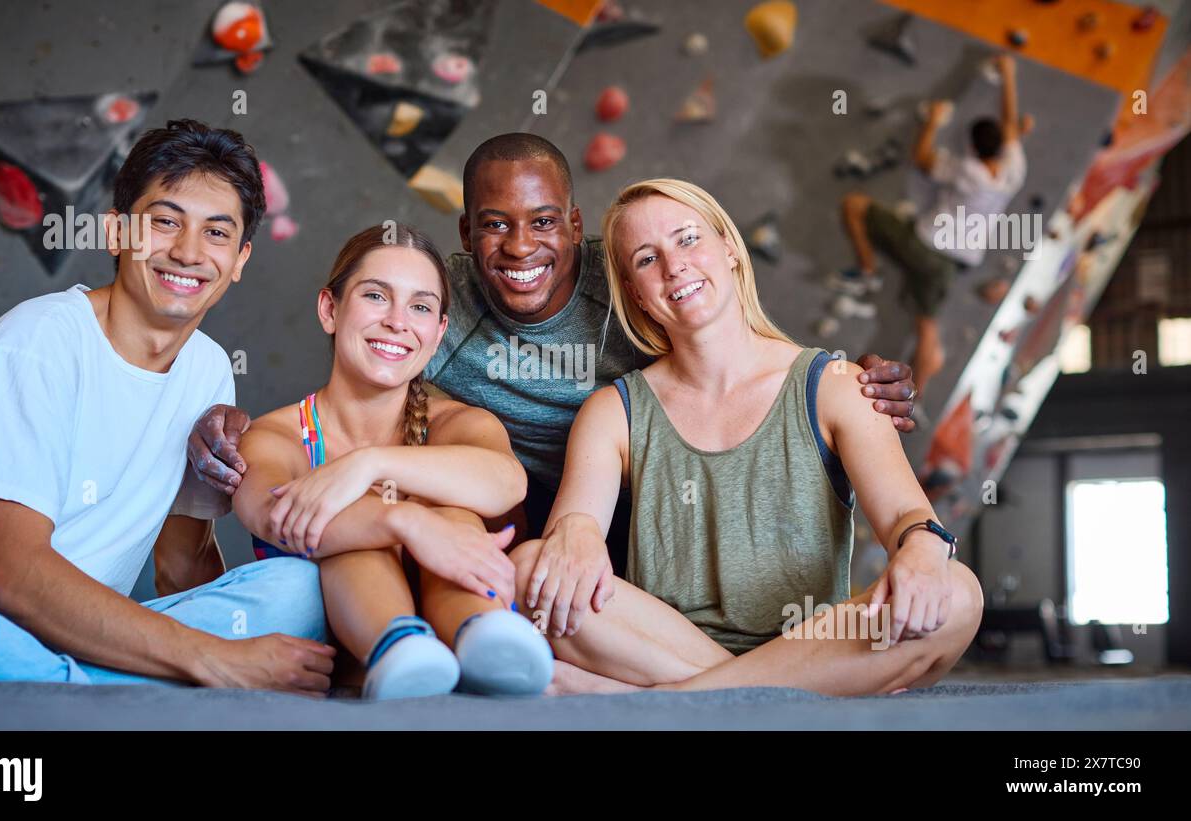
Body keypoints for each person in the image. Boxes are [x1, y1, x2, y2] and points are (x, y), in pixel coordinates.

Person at [189, 133, 919, 632]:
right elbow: (364, 383)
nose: (520, 246)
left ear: (574, 224)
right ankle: (416, 644)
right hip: (503, 511)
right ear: (468, 236)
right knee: (445, 517)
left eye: (543, 221)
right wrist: (236, 425)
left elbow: (733, 345)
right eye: (495, 226)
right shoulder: (437, 308)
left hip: (638, 513)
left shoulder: (636, 274)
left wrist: (847, 379)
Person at [0, 120, 335, 694]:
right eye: (165, 222)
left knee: (297, 589)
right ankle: (95, 689)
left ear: (241, 258)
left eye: (217, 234)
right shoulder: (39, 340)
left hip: (77, 635)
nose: (188, 252)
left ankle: (71, 686)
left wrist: (229, 475)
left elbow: (180, 568)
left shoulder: (208, 370)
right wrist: (218, 661)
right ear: (117, 232)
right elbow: (13, 578)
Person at [509, 178, 983, 696]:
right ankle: (779, 700)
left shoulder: (835, 386)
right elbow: (569, 539)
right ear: (636, 297)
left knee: (958, 593)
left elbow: (905, 517)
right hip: (657, 645)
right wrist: (574, 530)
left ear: (729, 248)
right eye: (647, 259)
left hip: (821, 644)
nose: (675, 266)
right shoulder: (613, 412)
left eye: (688, 239)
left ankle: (662, 704)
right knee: (528, 570)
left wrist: (920, 547)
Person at [231, 224, 552, 700]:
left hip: (462, 652)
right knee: (354, 526)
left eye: (420, 307)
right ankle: (402, 647)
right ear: (329, 309)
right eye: (377, 297)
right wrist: (403, 522)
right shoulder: (278, 435)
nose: (398, 322)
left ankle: (486, 635)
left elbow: (506, 482)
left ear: (439, 331)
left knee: (453, 511)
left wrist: (369, 464)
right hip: (340, 672)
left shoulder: (457, 423)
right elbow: (271, 513)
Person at [834, 53, 1031, 396]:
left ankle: (867, 270)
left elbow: (922, 159)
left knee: (854, 205)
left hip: (924, 243)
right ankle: (917, 396)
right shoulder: (1014, 170)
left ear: (971, 146)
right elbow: (1011, 122)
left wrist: (933, 122)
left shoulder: (968, 170)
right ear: (1002, 146)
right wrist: (1009, 76)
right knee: (927, 330)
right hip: (954, 263)